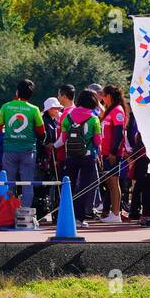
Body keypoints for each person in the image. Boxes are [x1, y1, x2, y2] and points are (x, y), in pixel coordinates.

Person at [0, 79, 44, 209]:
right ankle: (25, 213)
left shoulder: (6, 107)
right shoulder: (34, 109)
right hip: (28, 150)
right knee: (27, 183)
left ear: (17, 92)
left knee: (8, 183)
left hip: (9, 149)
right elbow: (41, 131)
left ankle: (6, 212)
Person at [57, 88, 103, 225]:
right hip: (88, 157)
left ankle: (65, 217)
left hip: (71, 156)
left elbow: (62, 140)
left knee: (68, 187)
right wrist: (99, 155)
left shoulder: (68, 117)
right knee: (84, 188)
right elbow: (97, 142)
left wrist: (52, 146)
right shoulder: (94, 119)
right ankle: (79, 218)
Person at [97, 86, 128, 223]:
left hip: (112, 153)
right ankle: (113, 212)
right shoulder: (110, 110)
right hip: (106, 152)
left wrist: (113, 152)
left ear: (109, 96)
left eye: (103, 95)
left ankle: (116, 214)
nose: (102, 98)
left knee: (114, 183)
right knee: (110, 183)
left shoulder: (117, 110)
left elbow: (119, 133)